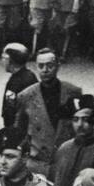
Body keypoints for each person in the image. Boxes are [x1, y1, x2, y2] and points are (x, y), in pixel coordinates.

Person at [12, 48, 81, 178]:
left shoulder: (72, 92)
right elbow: (19, 130)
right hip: (39, 166)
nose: (45, 70)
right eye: (41, 66)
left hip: (66, 163)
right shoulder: (26, 96)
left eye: (50, 65)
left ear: (58, 66)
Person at [0, 43, 36, 128]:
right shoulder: (30, 75)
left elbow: (9, 108)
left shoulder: (14, 83)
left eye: (4, 58)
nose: (2, 61)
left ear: (9, 60)